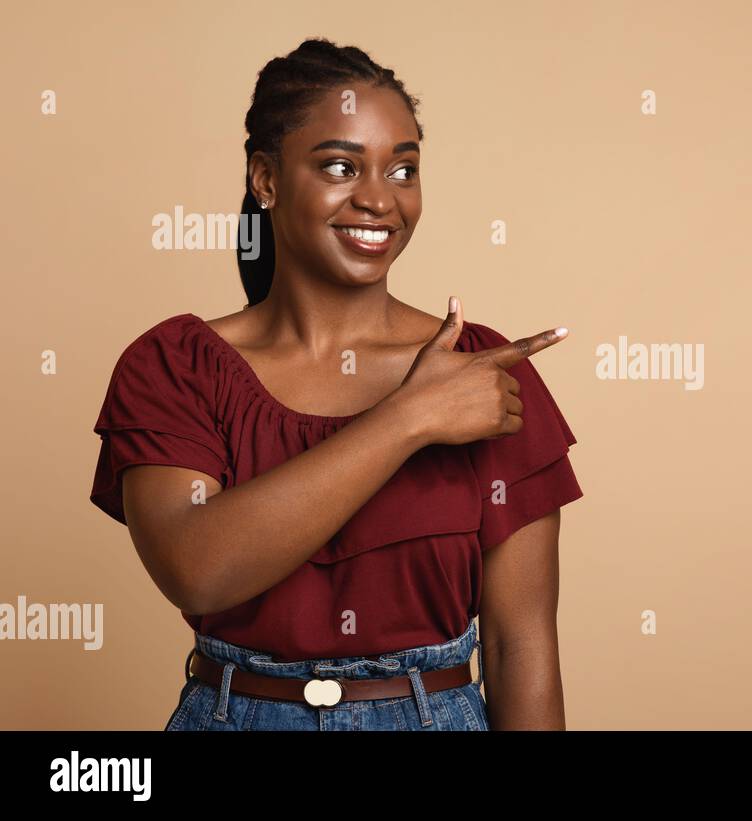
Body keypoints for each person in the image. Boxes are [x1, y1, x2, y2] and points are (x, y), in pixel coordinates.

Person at [88, 38, 582, 731]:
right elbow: (196, 566)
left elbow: (519, 643)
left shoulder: (484, 372)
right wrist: (409, 418)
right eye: (341, 166)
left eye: (403, 169)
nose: (380, 199)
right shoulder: (176, 365)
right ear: (266, 179)